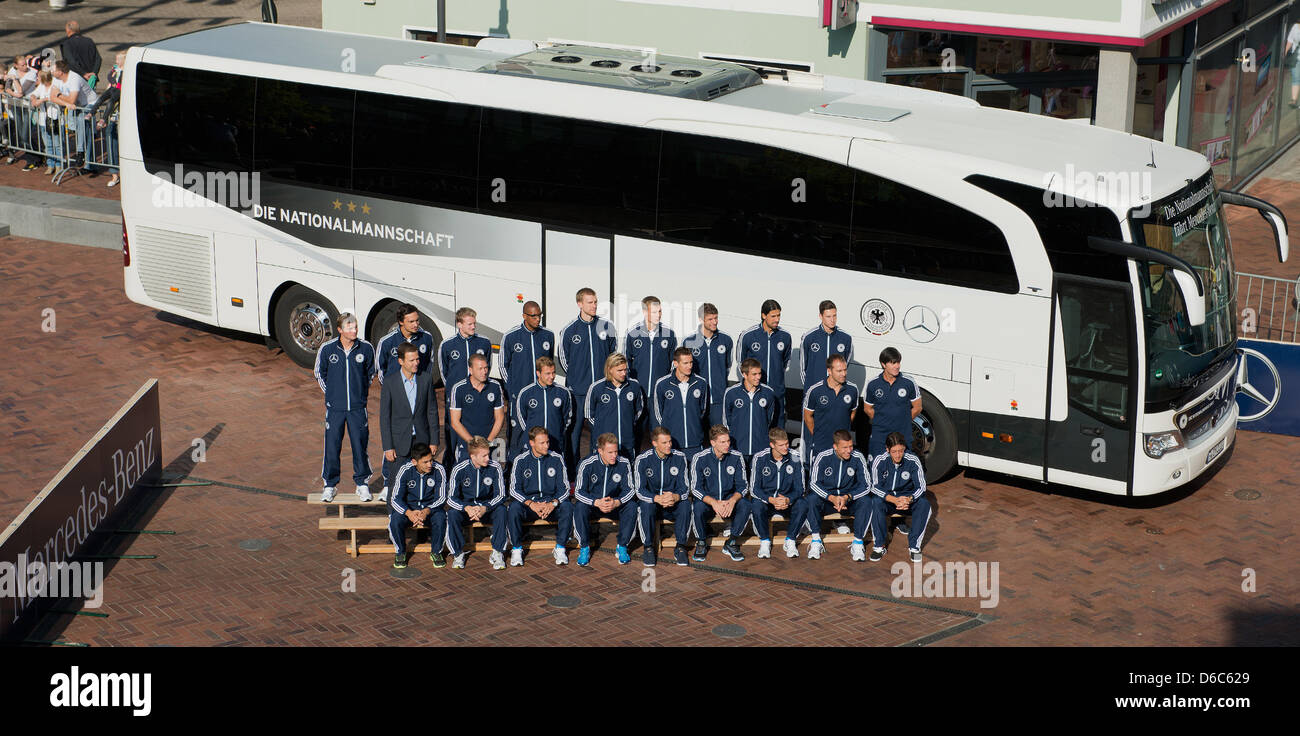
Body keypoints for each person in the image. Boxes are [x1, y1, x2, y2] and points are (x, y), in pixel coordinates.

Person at [313, 313, 376, 502]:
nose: (354, 330)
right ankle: (330, 485)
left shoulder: (365, 348)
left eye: (355, 327)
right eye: (350, 328)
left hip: (358, 408)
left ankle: (362, 484)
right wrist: (331, 395)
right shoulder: (327, 349)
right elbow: (319, 373)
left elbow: (370, 373)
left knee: (360, 445)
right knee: (332, 446)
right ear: (340, 330)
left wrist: (361, 394)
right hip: (335, 409)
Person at [378, 343, 440, 504]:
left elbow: (432, 412)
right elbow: (384, 417)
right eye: (412, 360)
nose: (416, 363)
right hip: (399, 442)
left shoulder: (425, 379)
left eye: (417, 359)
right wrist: (387, 446)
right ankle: (394, 518)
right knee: (396, 482)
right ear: (401, 361)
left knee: (421, 481)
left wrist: (434, 440)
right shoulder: (390, 383)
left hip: (421, 439)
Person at [507, 427, 574, 567]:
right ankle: (517, 549)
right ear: (532, 443)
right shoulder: (521, 460)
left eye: (547, 442)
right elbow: (513, 490)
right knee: (513, 508)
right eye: (542, 443)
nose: (546, 446)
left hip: (550, 506)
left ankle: (560, 547)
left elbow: (565, 488)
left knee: (567, 506)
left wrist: (553, 503)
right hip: (530, 507)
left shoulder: (556, 458)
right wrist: (531, 503)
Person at [806, 431, 873, 561]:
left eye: (850, 446)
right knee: (810, 499)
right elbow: (813, 483)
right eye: (845, 447)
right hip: (828, 500)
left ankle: (858, 543)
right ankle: (816, 540)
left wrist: (848, 497)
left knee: (866, 501)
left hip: (848, 501)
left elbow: (866, 485)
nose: (849, 450)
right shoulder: (823, 456)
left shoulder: (858, 456)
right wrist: (831, 497)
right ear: (835, 447)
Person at [572, 433, 638, 566]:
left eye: (615, 451)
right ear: (600, 451)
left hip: (614, 505)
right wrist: (596, 502)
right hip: (594, 505)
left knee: (631, 506)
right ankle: (584, 547)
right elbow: (578, 492)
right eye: (610, 452)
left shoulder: (623, 463)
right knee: (579, 507)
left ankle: (622, 546)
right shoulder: (587, 463)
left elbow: (630, 490)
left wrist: (617, 502)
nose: (614, 455)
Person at [633, 427, 693, 567]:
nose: (669, 445)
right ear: (654, 443)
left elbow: (685, 487)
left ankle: (680, 547)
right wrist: (656, 498)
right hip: (654, 503)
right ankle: (648, 547)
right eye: (664, 443)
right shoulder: (642, 459)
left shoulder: (679, 457)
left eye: (670, 442)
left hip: (672, 502)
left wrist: (676, 497)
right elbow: (639, 490)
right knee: (646, 506)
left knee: (685, 505)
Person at [446, 437, 509, 570]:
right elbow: (451, 498)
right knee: (452, 513)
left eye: (488, 454)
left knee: (502, 510)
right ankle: (458, 553)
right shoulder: (459, 469)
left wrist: (485, 507)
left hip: (486, 509)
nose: (488, 458)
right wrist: (466, 507)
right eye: (484, 455)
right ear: (473, 456)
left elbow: (501, 495)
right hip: (467, 510)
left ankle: (498, 552)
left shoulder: (495, 467)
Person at [689, 425, 750, 562]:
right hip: (709, 502)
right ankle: (701, 542)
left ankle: (731, 542)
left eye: (728, 441)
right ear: (713, 443)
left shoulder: (736, 457)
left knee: (746, 504)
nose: (727, 444)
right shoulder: (699, 458)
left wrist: (733, 500)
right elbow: (695, 488)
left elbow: (743, 485)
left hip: (729, 502)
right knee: (697, 507)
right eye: (723, 442)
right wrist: (714, 502)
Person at [868, 431, 931, 563]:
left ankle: (914, 547)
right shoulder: (879, 460)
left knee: (924, 504)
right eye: (894, 451)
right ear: (887, 449)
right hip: (889, 500)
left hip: (906, 501)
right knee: (875, 502)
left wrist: (910, 499)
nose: (898, 455)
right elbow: (873, 486)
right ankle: (879, 546)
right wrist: (893, 499)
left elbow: (921, 486)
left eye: (901, 451)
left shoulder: (913, 460)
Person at [500, 301, 554, 448]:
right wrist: (511, 389)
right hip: (518, 394)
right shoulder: (511, 336)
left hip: (540, 392)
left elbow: (548, 364)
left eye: (540, 316)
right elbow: (503, 365)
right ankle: (512, 467)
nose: (537, 319)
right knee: (517, 433)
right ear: (524, 316)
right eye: (534, 316)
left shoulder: (548, 335)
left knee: (540, 431)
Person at [438, 306, 493, 452]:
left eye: (474, 323)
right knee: (454, 432)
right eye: (470, 324)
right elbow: (444, 372)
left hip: (477, 394)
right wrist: (455, 390)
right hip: (456, 397)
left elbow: (487, 367)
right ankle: (451, 465)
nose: (473, 326)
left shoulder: (484, 342)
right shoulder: (447, 345)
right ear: (459, 324)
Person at [748, 428, 808, 559]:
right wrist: (771, 499)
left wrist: (788, 499)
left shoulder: (795, 457)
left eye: (787, 443)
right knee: (756, 505)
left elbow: (800, 488)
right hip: (768, 502)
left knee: (803, 504)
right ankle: (764, 541)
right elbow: (754, 488)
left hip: (787, 502)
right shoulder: (759, 458)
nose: (786, 447)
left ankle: (790, 540)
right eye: (781, 445)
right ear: (772, 445)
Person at [388, 442, 448, 570]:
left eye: (431, 460)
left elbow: (441, 498)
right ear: (415, 462)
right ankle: (400, 552)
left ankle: (436, 552)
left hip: (430, 508)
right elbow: (395, 499)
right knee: (395, 519)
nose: (430, 465)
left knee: (441, 518)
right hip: (410, 509)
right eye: (425, 462)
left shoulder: (439, 469)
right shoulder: (405, 470)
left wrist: (427, 510)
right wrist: (409, 513)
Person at [624, 296, 677, 436]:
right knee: (635, 434)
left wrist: (665, 386)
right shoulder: (632, 333)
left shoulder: (669, 334)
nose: (658, 315)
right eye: (654, 312)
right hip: (637, 393)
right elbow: (626, 362)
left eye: (659, 311)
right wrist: (632, 385)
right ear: (644, 311)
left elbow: (673, 364)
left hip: (658, 394)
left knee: (659, 433)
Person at [738, 299, 792, 427]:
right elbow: (741, 362)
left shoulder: (785, 336)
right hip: (755, 392)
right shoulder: (748, 335)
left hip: (776, 392)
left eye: (779, 315)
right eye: (773, 316)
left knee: (777, 431)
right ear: (763, 315)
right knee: (756, 428)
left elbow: (785, 363)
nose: (777, 319)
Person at [862, 347, 922, 460]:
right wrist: (882, 421)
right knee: (877, 470)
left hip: (903, 436)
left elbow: (917, 407)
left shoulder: (909, 382)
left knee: (903, 471)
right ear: (883, 364)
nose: (897, 366)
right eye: (893, 363)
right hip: (880, 437)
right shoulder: (873, 384)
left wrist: (903, 421)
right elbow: (867, 408)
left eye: (898, 362)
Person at [447, 353, 506, 465]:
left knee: (491, 478)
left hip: (490, 444)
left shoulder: (495, 386)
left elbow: (500, 417)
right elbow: (455, 422)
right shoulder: (459, 388)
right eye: (480, 369)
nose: (484, 372)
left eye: (486, 368)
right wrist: (473, 443)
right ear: (470, 370)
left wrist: (488, 442)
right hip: (467, 446)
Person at [801, 353, 859, 464]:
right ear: (829, 371)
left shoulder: (852, 389)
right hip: (821, 444)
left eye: (845, 370)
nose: (844, 374)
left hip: (843, 446)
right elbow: (807, 416)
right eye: (839, 371)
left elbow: (852, 413)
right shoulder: (815, 390)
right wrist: (817, 433)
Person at [511, 356, 573, 460]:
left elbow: (567, 418)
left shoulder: (563, 392)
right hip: (533, 445)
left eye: (553, 373)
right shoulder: (526, 393)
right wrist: (533, 437)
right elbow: (521, 419)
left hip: (555, 442)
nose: (552, 376)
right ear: (538, 373)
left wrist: (557, 431)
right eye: (548, 373)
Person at [652, 347, 709, 458]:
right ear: (675, 363)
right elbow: (658, 414)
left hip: (695, 443)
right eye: (685, 363)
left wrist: (694, 426)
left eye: (691, 362)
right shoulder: (662, 384)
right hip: (672, 443)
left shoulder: (701, 383)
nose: (690, 366)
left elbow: (702, 411)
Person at [683, 303, 734, 428]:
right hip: (695, 398)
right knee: (696, 435)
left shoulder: (726, 340)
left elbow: (728, 366)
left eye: (716, 318)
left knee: (719, 437)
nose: (715, 322)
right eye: (710, 319)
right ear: (701, 319)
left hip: (718, 399)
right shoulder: (689, 341)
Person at [585, 353, 643, 461]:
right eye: (620, 370)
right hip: (604, 443)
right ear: (610, 369)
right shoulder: (596, 388)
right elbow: (589, 415)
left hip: (627, 442)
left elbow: (638, 410)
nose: (624, 373)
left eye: (625, 370)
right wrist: (602, 428)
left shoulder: (634, 386)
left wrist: (628, 424)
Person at [723, 358, 777, 466]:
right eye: (754, 374)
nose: (758, 377)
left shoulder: (768, 393)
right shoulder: (731, 393)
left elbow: (769, 419)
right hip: (738, 447)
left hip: (760, 447)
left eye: (759, 373)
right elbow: (726, 420)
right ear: (744, 374)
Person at [50, 61, 97, 173]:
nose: (51, 72)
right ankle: (87, 162)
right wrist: (66, 104)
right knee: (83, 131)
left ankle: (81, 153)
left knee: (83, 124)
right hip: (77, 106)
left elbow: (72, 99)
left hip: (90, 104)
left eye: (53, 70)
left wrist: (59, 95)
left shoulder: (74, 78)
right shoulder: (56, 79)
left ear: (60, 72)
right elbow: (52, 97)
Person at [87, 52, 124, 185]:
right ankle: (114, 174)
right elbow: (109, 83)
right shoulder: (115, 71)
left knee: (124, 146)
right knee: (110, 142)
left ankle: (127, 172)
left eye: (119, 59)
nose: (116, 61)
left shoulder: (127, 72)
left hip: (124, 116)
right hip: (113, 117)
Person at [800, 300, 853, 392]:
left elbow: (845, 363)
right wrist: (810, 389)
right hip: (813, 390)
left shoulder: (845, 338)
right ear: (820, 316)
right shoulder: (809, 337)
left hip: (835, 391)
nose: (832, 320)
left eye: (834, 315)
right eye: (828, 316)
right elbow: (803, 367)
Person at [376, 303, 435, 381]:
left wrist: (424, 384)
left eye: (417, 320)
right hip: (395, 389)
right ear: (401, 322)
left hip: (419, 388)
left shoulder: (427, 337)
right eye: (411, 321)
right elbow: (381, 369)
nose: (416, 324)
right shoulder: (386, 342)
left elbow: (430, 363)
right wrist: (389, 388)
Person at [4, 55, 38, 169]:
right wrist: (14, 94)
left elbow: (22, 90)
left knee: (25, 134)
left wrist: (14, 79)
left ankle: (33, 159)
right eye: (22, 65)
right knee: (21, 135)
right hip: (16, 105)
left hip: (28, 107)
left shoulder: (32, 73)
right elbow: (7, 88)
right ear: (16, 65)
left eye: (26, 64)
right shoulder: (12, 70)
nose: (25, 66)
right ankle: (36, 155)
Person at [28, 71, 61, 176]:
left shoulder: (55, 85)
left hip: (55, 119)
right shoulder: (42, 86)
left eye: (38, 78)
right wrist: (33, 98)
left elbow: (55, 97)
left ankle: (59, 165)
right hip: (43, 119)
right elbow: (34, 94)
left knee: (57, 144)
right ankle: (50, 165)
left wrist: (41, 100)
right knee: (48, 144)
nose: (37, 79)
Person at [60, 21, 102, 89]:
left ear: (68, 30)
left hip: (75, 79)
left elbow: (71, 61)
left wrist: (83, 73)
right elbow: (98, 59)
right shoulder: (89, 41)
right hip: (90, 79)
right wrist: (94, 73)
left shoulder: (66, 44)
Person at [1286, 21, 1300, 108]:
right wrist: (1285, 52)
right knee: (1296, 78)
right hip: (1296, 58)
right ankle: (1293, 100)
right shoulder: (1295, 27)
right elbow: (1290, 41)